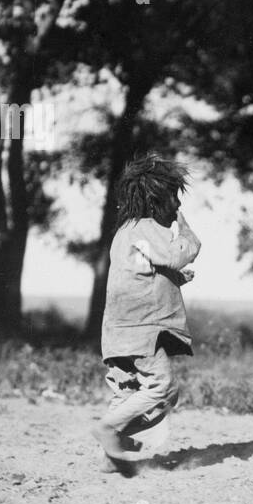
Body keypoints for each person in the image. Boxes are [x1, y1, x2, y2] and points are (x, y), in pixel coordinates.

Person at [91, 155, 201, 474]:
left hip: (118, 332)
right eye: (174, 196)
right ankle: (109, 429)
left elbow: (141, 273)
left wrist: (176, 279)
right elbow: (179, 254)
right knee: (163, 388)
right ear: (157, 199)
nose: (177, 203)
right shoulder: (148, 228)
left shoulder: (127, 230)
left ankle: (111, 456)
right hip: (142, 330)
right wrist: (186, 229)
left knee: (126, 391)